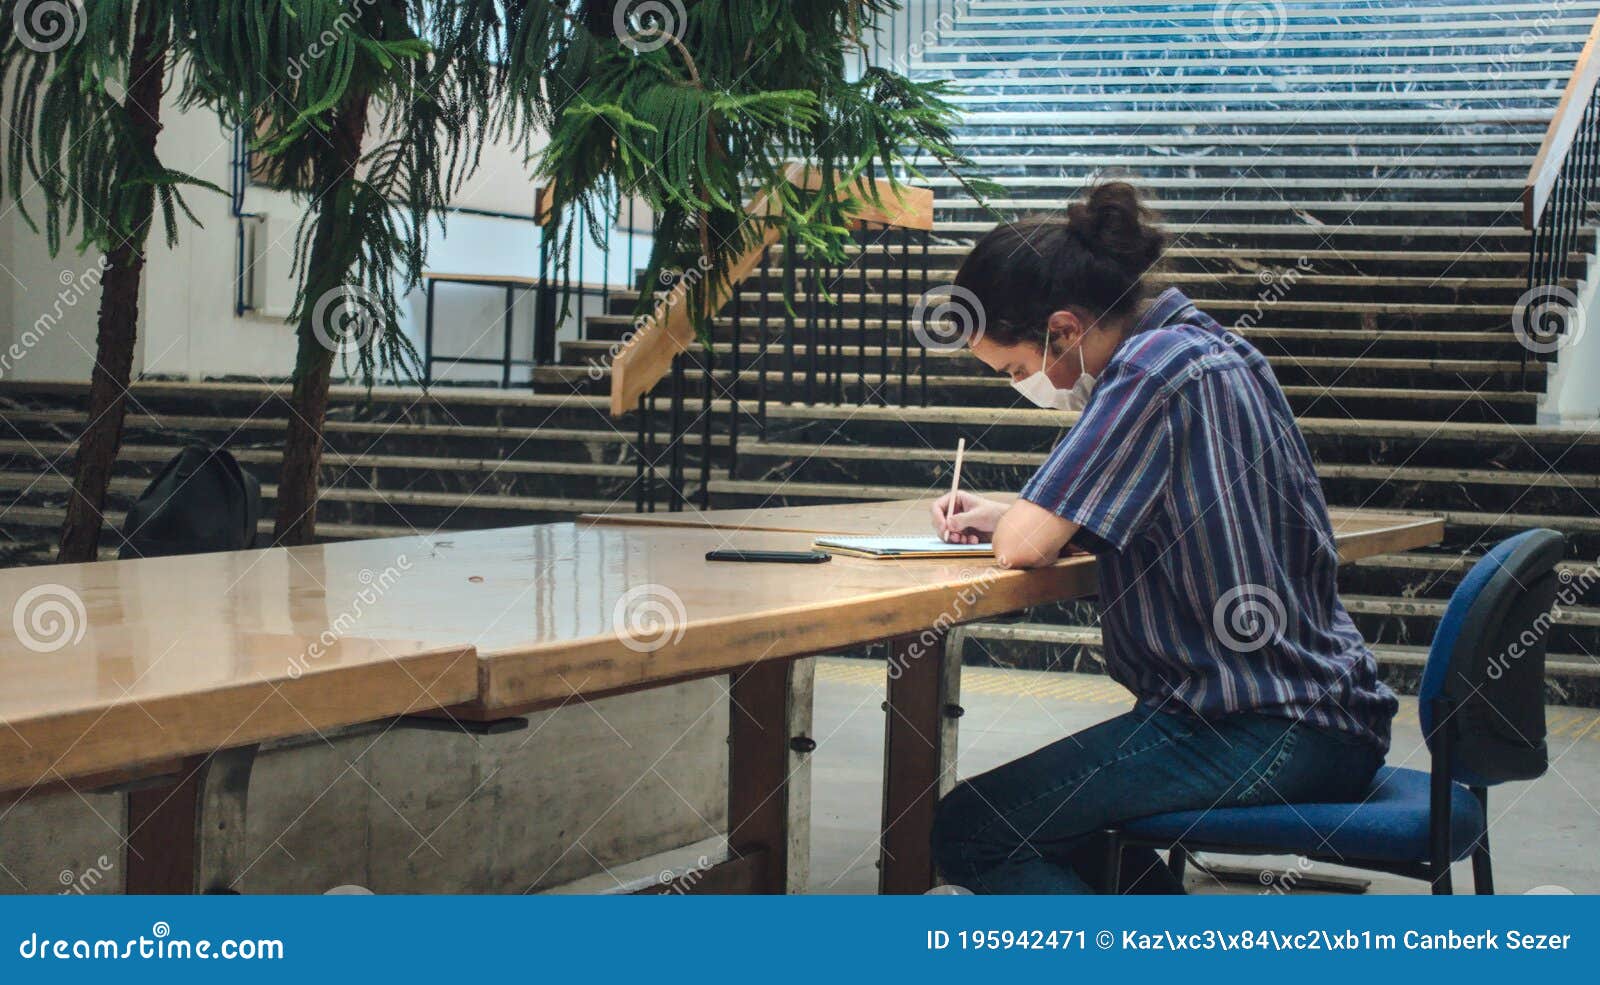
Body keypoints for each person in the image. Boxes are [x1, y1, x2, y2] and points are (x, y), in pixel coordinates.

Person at [927, 182, 1397, 894]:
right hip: (1324, 710)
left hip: (1261, 727)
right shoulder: (1211, 346)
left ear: (1063, 328)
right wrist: (1013, 510)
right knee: (1055, 819)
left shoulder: (1147, 372)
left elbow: (1024, 546)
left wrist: (1020, 517)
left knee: (973, 827)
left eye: (1018, 370)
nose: (1024, 386)